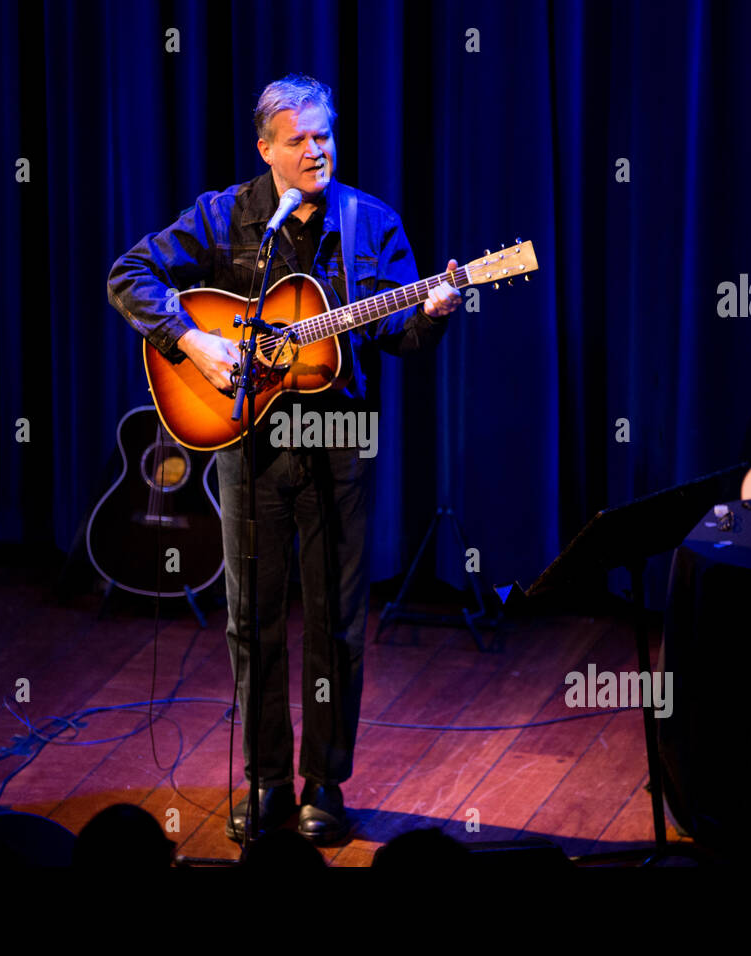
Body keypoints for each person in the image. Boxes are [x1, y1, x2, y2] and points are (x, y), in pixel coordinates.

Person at [108, 74, 461, 845]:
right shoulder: (226, 216)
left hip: (340, 442)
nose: (315, 151)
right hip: (250, 442)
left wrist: (432, 314)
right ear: (265, 148)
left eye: (324, 136)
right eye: (298, 140)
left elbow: (397, 335)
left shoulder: (374, 222)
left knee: (335, 619)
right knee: (251, 618)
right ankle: (265, 780)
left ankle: (324, 785)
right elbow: (128, 276)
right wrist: (194, 341)